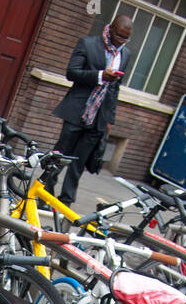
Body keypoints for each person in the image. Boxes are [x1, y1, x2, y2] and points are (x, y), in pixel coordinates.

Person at [49, 14, 133, 206]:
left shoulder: (125, 54)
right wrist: (100, 76)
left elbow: (115, 89)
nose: (121, 41)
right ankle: (45, 191)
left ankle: (66, 200)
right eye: (119, 36)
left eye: (126, 38)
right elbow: (72, 73)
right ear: (110, 28)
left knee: (79, 161)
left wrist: (110, 119)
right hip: (78, 109)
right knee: (61, 155)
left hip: (100, 116)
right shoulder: (87, 44)